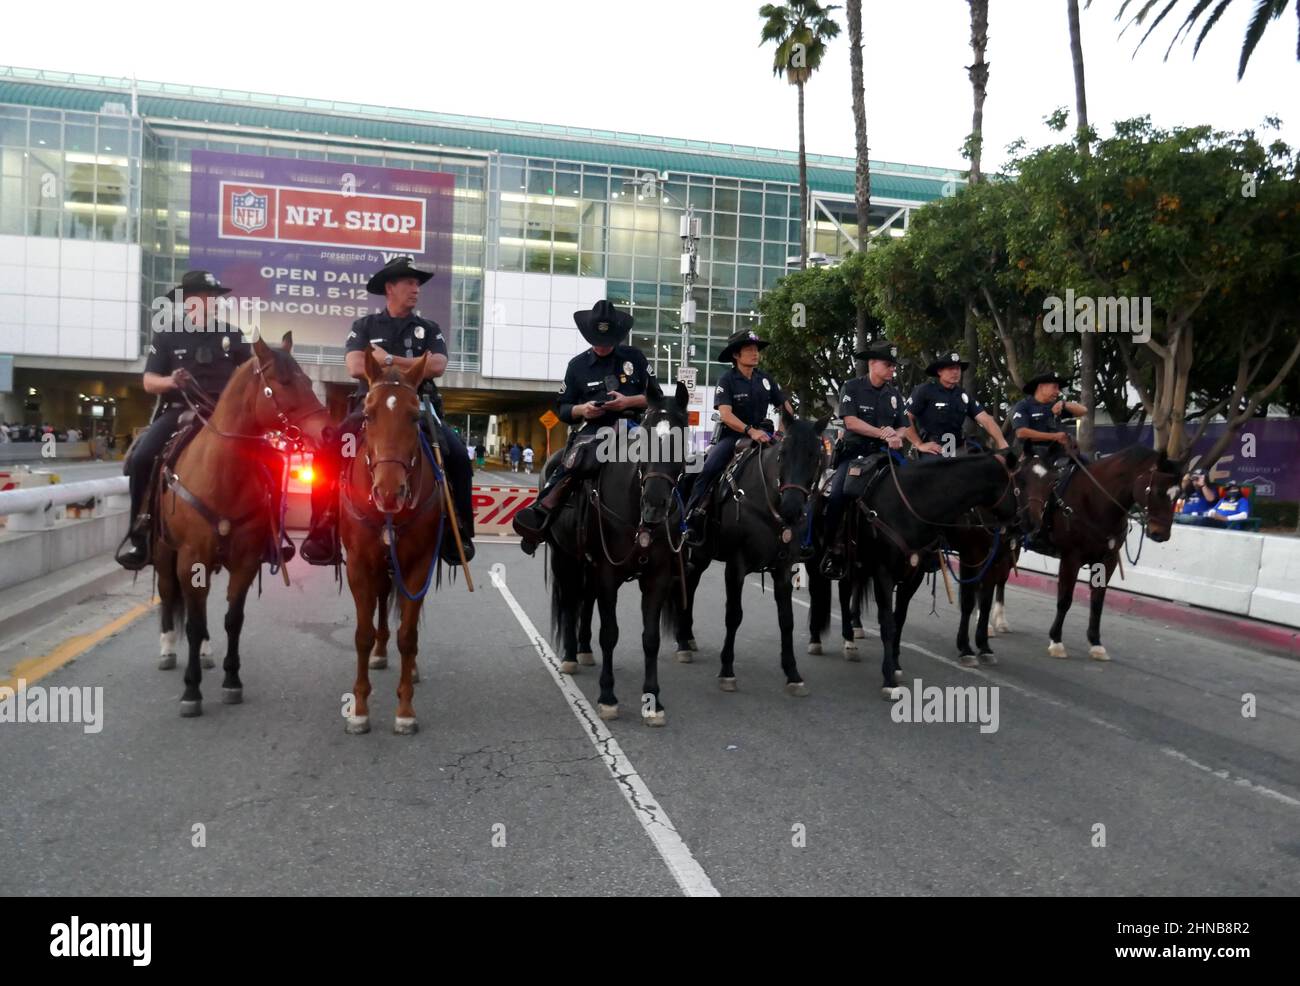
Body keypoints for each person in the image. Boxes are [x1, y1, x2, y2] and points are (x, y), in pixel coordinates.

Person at [300, 256, 475, 566]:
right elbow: (355, 366)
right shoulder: (364, 326)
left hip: (418, 408)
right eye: (409, 282)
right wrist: (410, 363)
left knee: (459, 456)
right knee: (328, 452)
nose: (416, 288)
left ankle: (458, 529)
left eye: (417, 283)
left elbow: (437, 366)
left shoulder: (428, 328)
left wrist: (389, 359)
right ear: (390, 287)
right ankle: (323, 525)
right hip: (372, 408)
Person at [115, 270, 251, 570]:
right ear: (189, 301)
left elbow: (251, 377)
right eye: (204, 296)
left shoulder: (234, 335)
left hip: (223, 416)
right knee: (141, 458)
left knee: (266, 458)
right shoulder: (167, 336)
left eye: (213, 297)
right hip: (180, 411)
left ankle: (266, 535)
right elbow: (150, 381)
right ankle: (141, 532)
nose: (211, 301)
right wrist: (172, 381)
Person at [511, 299, 660, 549]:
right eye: (597, 340)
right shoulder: (577, 366)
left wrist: (627, 402)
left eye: (607, 340)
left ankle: (680, 522)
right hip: (594, 429)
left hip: (635, 426)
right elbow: (563, 407)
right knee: (575, 462)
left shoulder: (635, 358)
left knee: (667, 459)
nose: (602, 346)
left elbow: (656, 397)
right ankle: (543, 513)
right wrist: (584, 409)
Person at [820, 343, 926, 579]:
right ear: (872, 363)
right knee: (838, 495)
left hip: (885, 456)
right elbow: (851, 422)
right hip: (855, 455)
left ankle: (917, 547)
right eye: (888, 365)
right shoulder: (852, 387)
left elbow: (903, 426)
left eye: (894, 366)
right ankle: (833, 548)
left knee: (915, 489)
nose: (892, 370)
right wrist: (883, 433)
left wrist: (896, 437)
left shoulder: (894, 394)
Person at [680, 329, 793, 546]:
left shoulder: (765, 379)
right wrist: (750, 430)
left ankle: (792, 521)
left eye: (756, 350)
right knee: (708, 469)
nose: (755, 354)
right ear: (736, 355)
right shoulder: (727, 380)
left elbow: (784, 405)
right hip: (733, 437)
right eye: (749, 350)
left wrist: (785, 429)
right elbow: (726, 414)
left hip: (764, 435)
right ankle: (691, 517)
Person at [1010, 370, 1090, 548]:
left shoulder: (1056, 405)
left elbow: (1083, 410)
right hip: (1032, 456)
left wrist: (1064, 403)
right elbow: (1021, 432)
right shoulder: (1023, 406)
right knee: (1036, 486)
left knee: (1088, 468)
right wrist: (1053, 437)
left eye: (1058, 389)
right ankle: (1027, 527)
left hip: (1056, 456)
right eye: (1054, 387)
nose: (1057, 391)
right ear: (1041, 387)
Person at [905, 351, 1008, 455]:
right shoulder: (925, 390)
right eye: (950, 368)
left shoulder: (963, 396)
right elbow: (906, 417)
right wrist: (919, 444)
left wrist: (1002, 443)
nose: (955, 372)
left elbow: (985, 419)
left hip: (957, 448)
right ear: (940, 371)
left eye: (957, 368)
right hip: (932, 449)